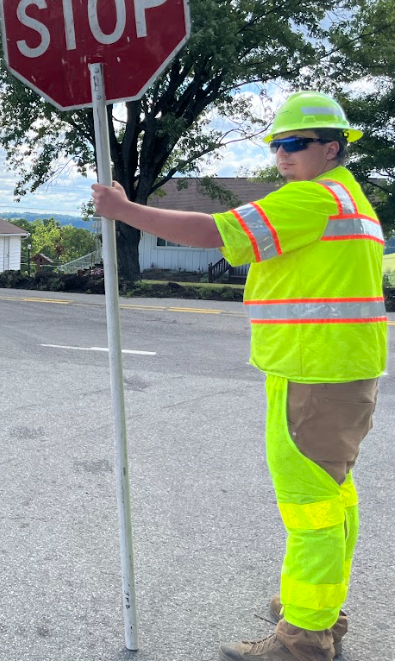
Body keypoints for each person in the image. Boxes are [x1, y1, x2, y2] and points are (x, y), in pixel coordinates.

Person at [91, 92, 386, 661]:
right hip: (336, 370)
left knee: (311, 505)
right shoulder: (352, 200)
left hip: (314, 372)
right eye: (276, 143)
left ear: (332, 148)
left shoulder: (313, 198)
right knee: (333, 496)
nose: (281, 153)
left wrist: (124, 210)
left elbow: (212, 231)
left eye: (295, 144)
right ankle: (318, 607)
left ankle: (303, 638)